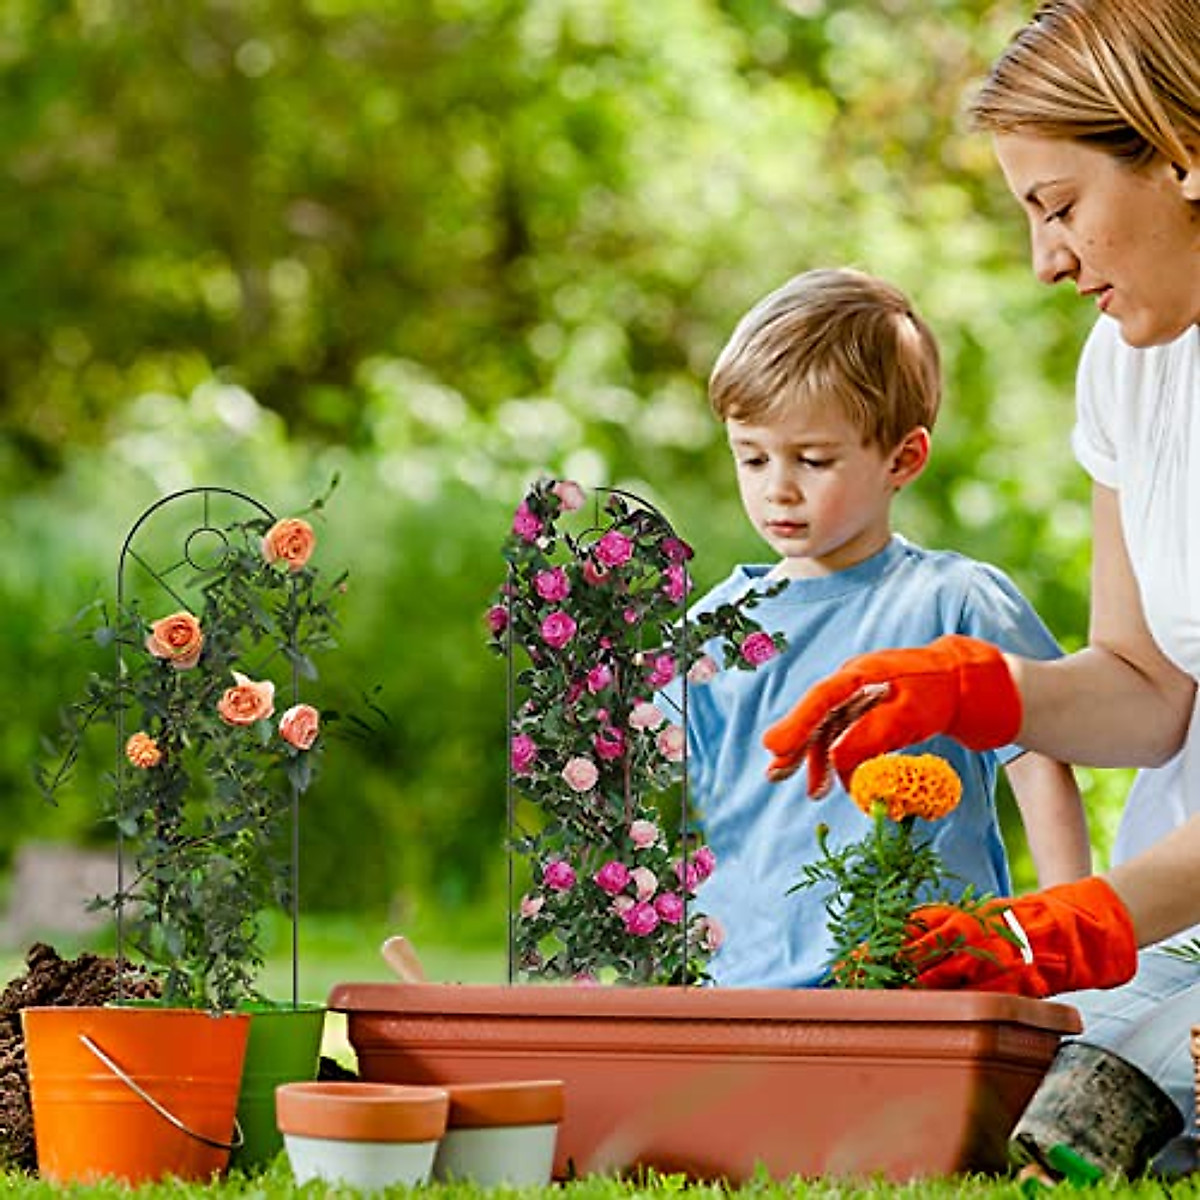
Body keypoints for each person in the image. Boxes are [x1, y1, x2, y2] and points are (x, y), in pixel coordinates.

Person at [761, 0, 1199, 1179]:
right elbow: (1148, 691)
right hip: (1183, 910)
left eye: (1060, 207)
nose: (1045, 260)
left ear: (1178, 150)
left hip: (1156, 904)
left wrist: (1071, 924)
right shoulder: (1129, 367)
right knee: (1047, 1135)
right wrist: (973, 692)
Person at [668, 266, 1090, 990]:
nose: (779, 488)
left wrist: (1058, 944)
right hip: (745, 993)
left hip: (928, 985)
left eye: (814, 459)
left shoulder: (956, 602)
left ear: (903, 458)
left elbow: (1042, 766)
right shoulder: (710, 628)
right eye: (753, 457)